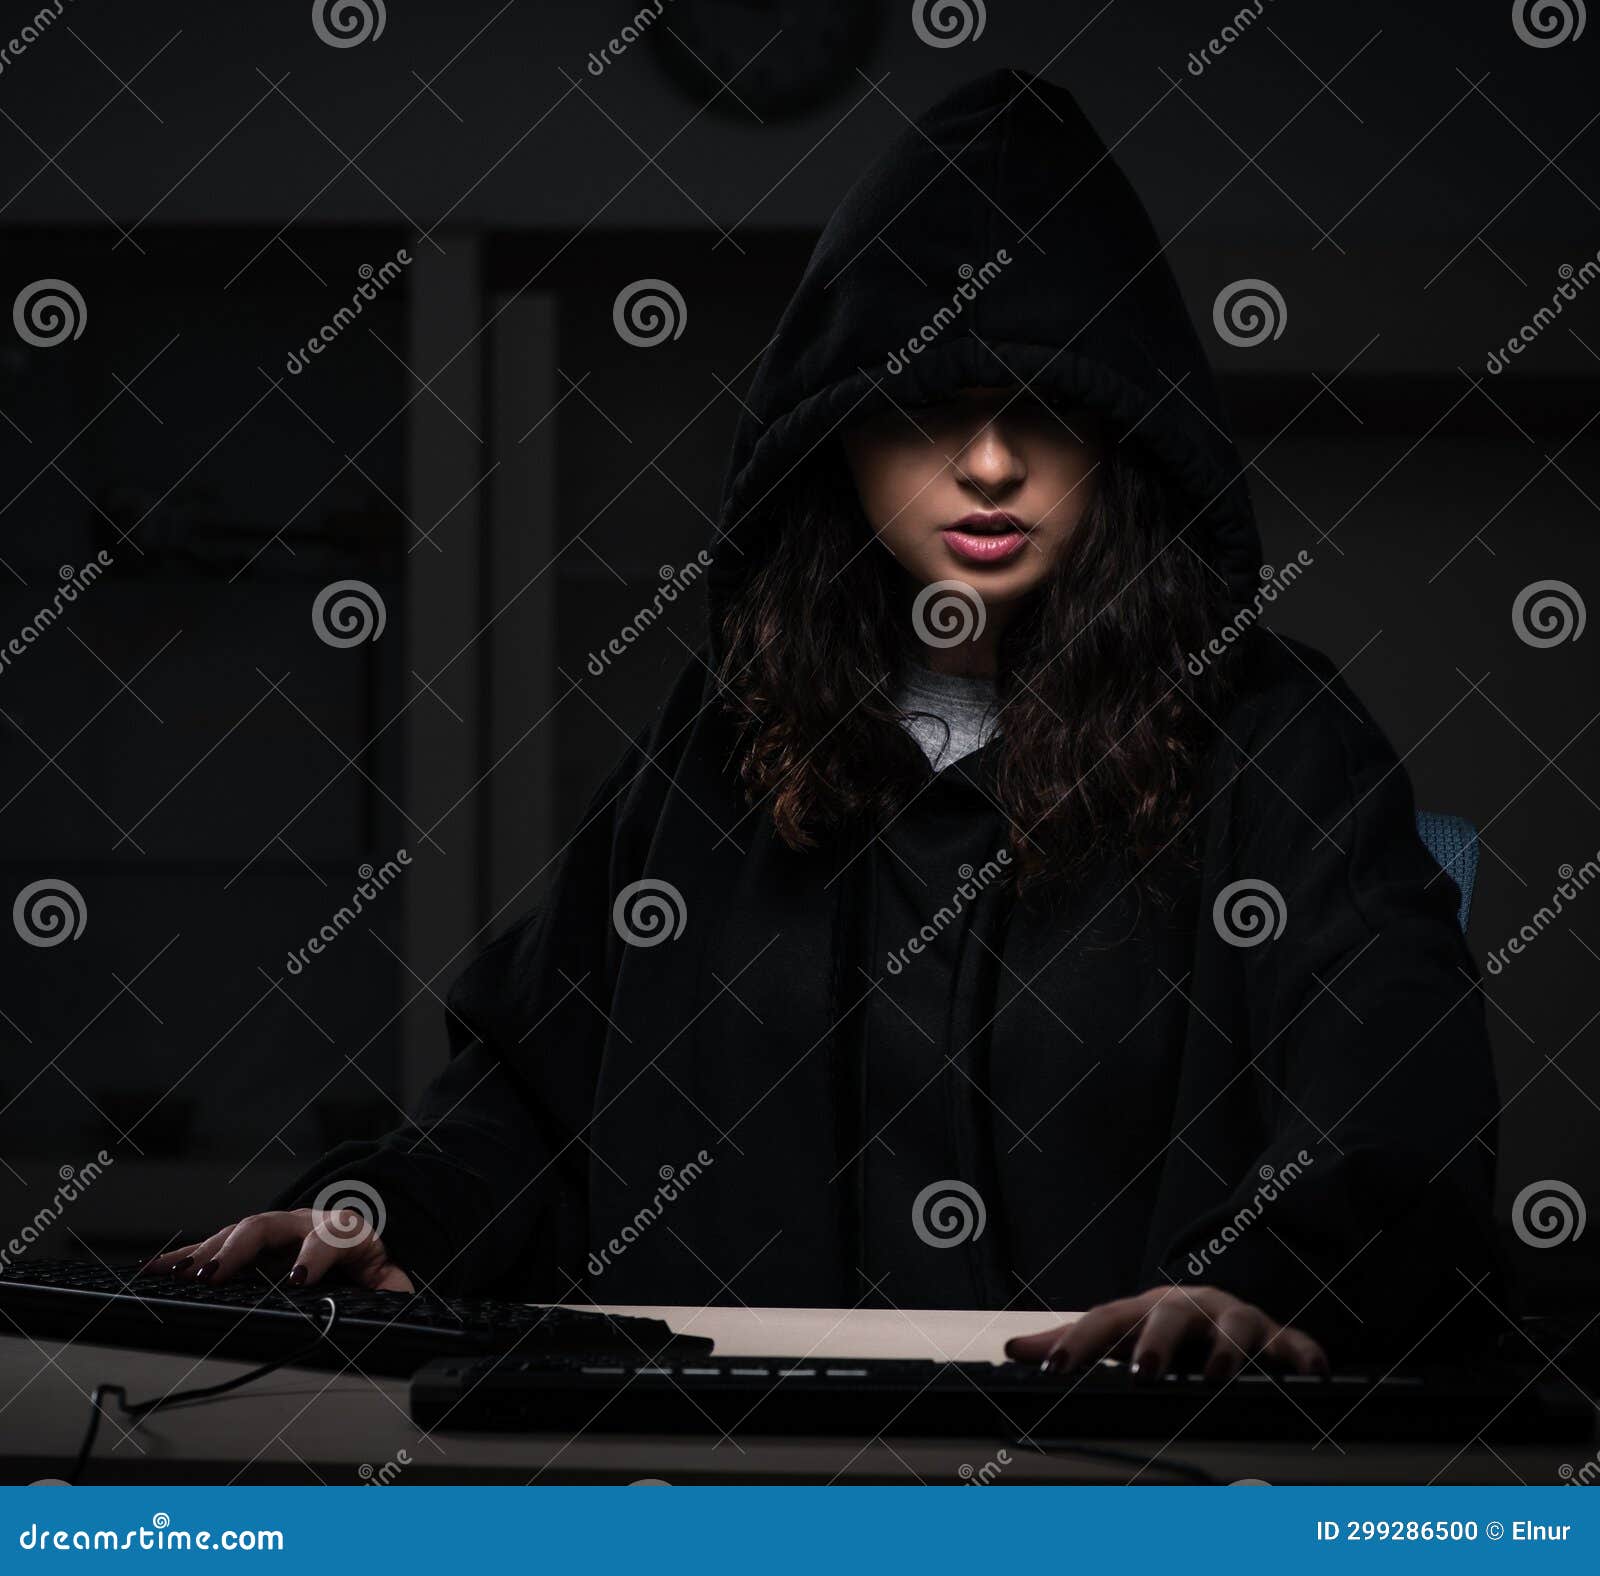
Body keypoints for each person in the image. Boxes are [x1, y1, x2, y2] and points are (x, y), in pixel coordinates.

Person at [142, 69, 1499, 1379]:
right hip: (725, 1481)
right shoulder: (719, 745)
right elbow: (528, 1106)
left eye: (1044, 410)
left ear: (1127, 435)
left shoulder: (1277, 738)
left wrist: (1261, 1288)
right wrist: (377, 1213)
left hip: (1116, 1486)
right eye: (926, 410)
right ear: (836, 438)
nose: (987, 462)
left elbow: (1392, 1106)